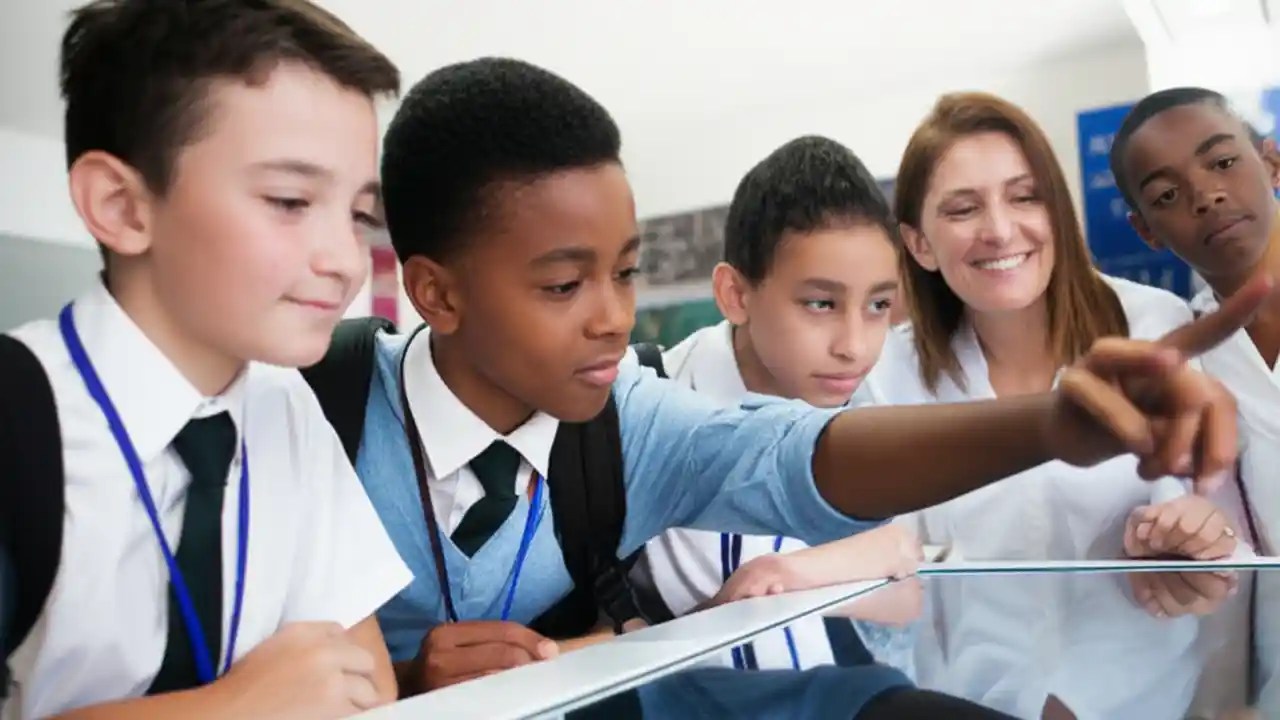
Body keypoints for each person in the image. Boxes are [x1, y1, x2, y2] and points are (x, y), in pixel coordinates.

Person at [360, 58, 1253, 714]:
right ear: (434, 291)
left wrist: (1052, 425)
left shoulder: (631, 416)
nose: (611, 320)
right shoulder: (321, 414)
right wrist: (400, 682)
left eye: (627, 274)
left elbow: (791, 456)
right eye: (563, 286)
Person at [0, 2, 411, 718]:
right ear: (123, 207)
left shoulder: (285, 405)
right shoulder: (17, 418)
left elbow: (366, 683)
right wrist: (231, 709)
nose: (346, 260)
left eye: (358, 214)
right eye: (289, 200)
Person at [857, 90, 1251, 719]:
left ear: (1058, 209)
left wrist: (1194, 539)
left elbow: (1207, 510)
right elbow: (892, 570)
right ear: (919, 243)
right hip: (977, 704)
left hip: (1155, 702)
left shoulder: (1152, 325)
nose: (1000, 230)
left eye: (1024, 195)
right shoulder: (890, 375)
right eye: (962, 209)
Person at [633, 135, 923, 675]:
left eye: (879, 304)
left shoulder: (872, 403)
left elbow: (908, 595)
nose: (855, 345)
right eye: (820, 303)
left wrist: (791, 574)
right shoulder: (647, 404)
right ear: (736, 295)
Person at [1109, 84, 1280, 719]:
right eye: (1166, 196)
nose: (1206, 195)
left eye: (1224, 163)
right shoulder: (1188, 361)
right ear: (1146, 231)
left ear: (1272, 164)